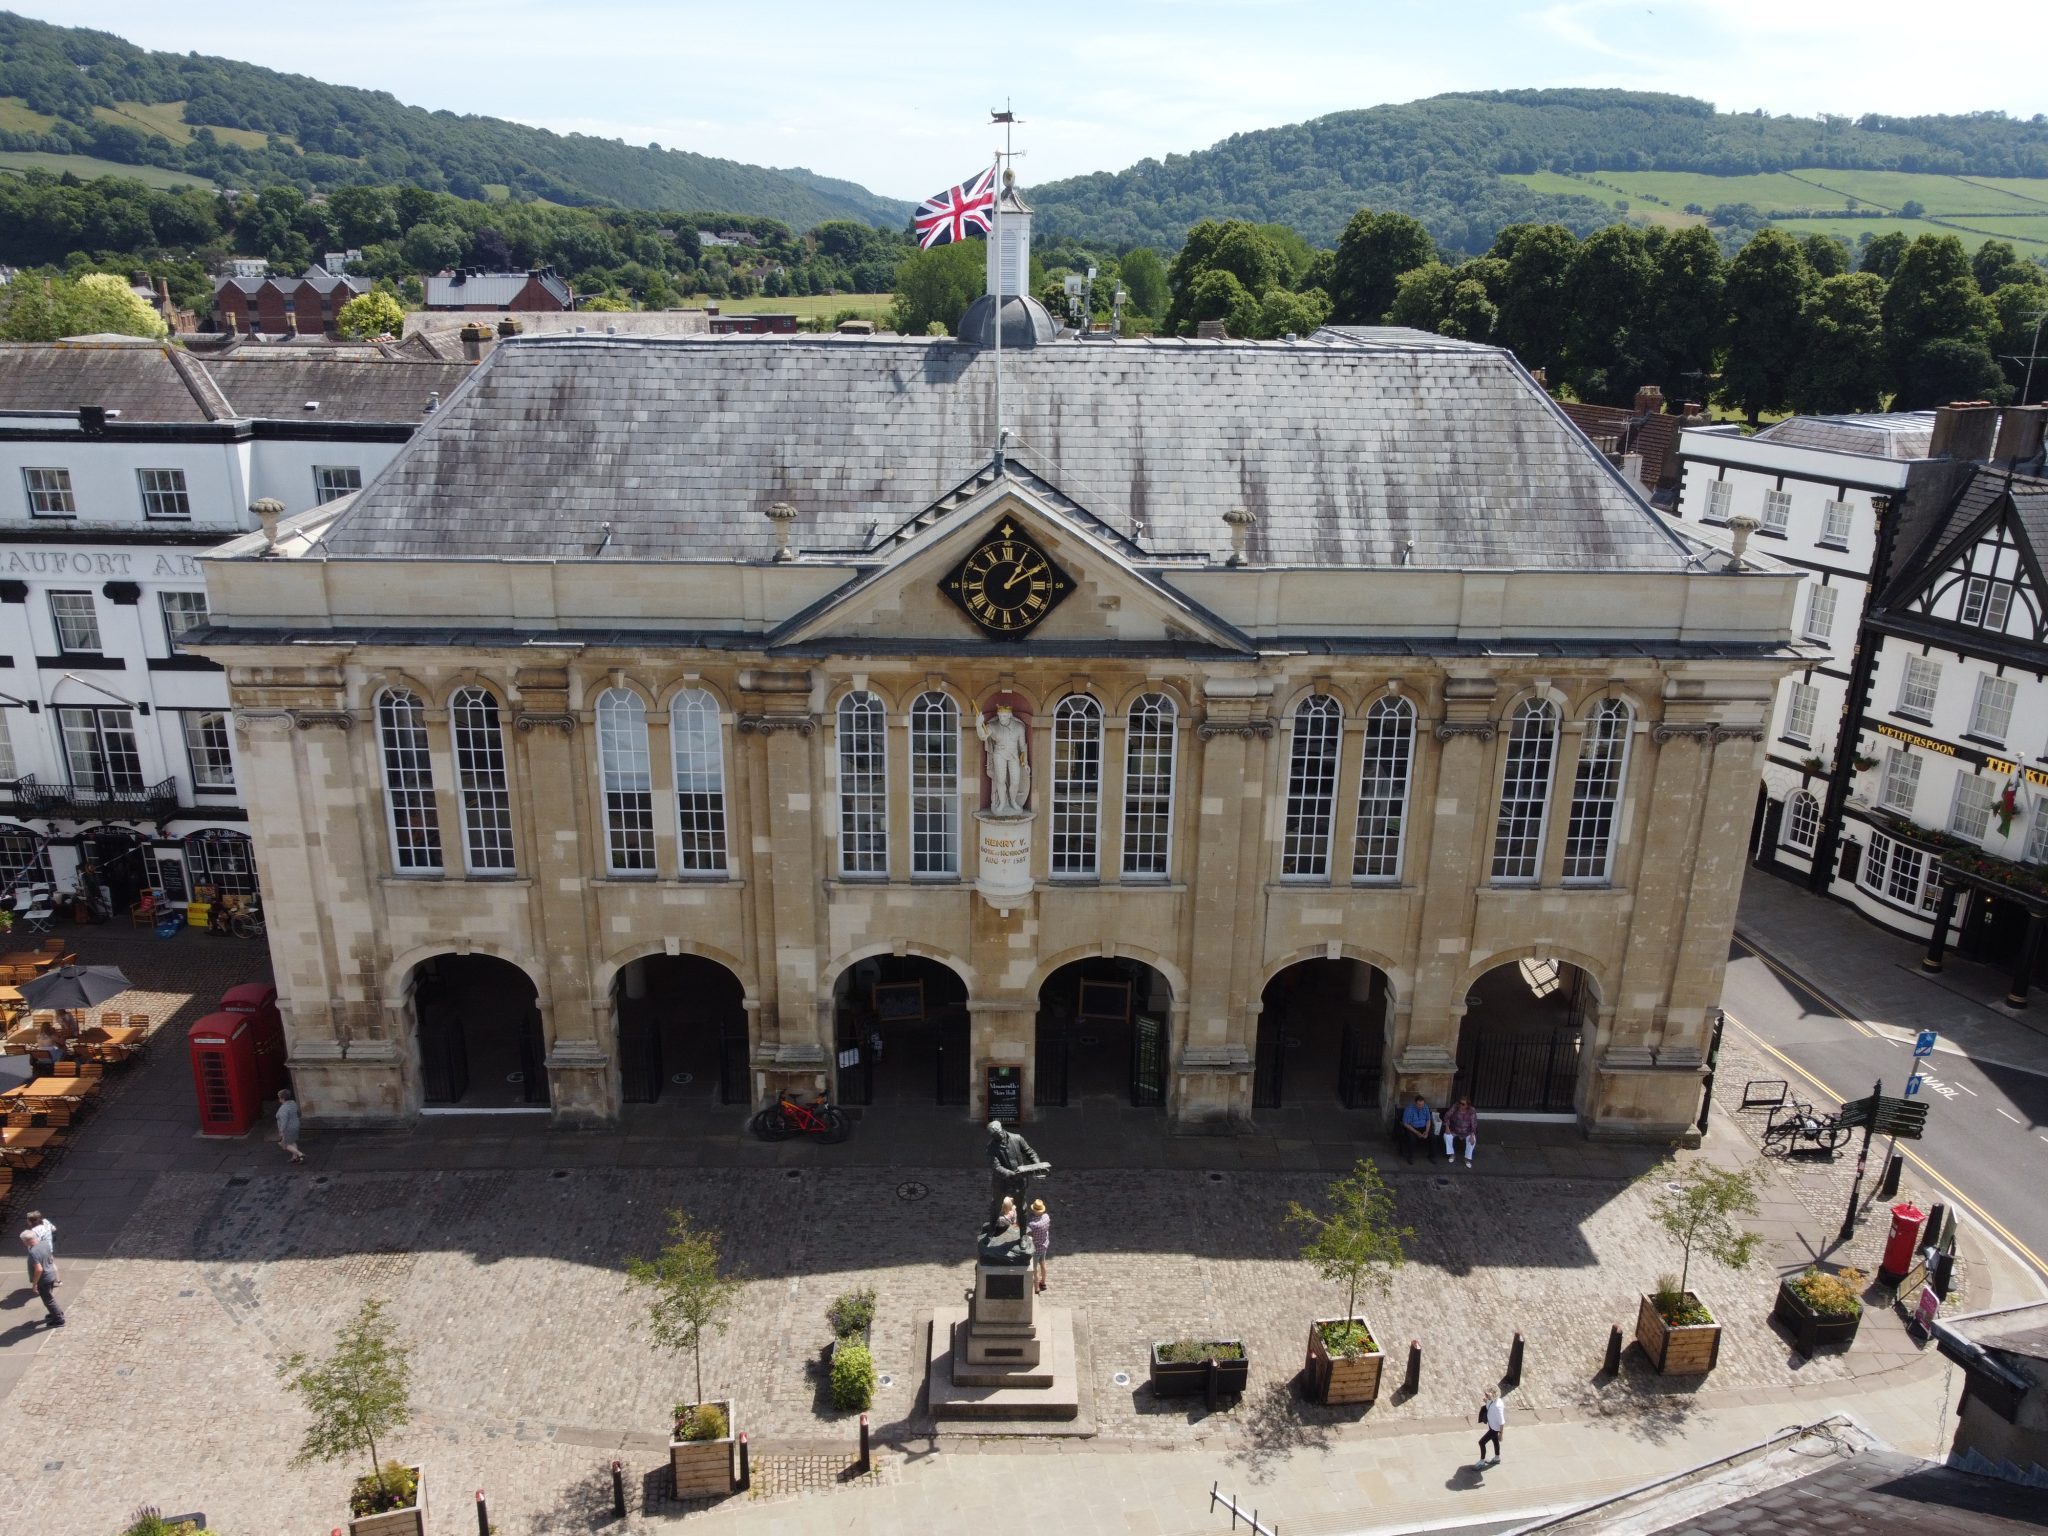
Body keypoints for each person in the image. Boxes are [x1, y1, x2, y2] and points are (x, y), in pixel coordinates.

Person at [985, 1119, 1045, 1233]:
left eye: (999, 1132)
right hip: (1001, 1182)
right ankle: (991, 1231)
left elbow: (1030, 1152)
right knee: (995, 1207)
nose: (998, 1136)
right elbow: (996, 1167)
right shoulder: (991, 1147)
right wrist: (1011, 1174)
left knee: (1022, 1208)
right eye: (995, 1135)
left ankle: (1023, 1234)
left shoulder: (1017, 1138)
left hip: (1019, 1182)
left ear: (1002, 1129)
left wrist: (1037, 1165)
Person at [22, 1220, 63, 1327]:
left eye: (23, 1241)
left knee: (48, 1300)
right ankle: (56, 1313)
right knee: (50, 1297)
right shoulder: (45, 1244)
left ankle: (59, 1320)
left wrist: (34, 1283)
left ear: (27, 1241)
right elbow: (51, 1258)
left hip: (43, 1279)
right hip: (51, 1274)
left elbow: (39, 1269)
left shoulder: (33, 1252)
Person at [20, 1209, 52, 1290]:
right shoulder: (46, 1222)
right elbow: (54, 1229)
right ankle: (57, 1280)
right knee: (50, 1262)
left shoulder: (34, 1231)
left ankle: (40, 1283)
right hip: (48, 1246)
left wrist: (34, 1284)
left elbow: (35, 1241)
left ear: (31, 1222)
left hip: (39, 1250)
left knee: (39, 1267)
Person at [1443, 1097, 1479, 1167]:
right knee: (1446, 1136)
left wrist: (1472, 1135)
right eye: (1460, 1103)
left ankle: (1467, 1158)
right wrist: (1447, 1127)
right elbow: (1446, 1116)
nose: (1460, 1105)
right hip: (1454, 1130)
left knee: (1472, 1141)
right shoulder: (1455, 1107)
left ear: (1467, 1105)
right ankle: (1452, 1154)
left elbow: (1474, 1123)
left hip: (1467, 1131)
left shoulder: (1472, 1110)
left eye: (1463, 1104)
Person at [1027, 1198, 1052, 1293]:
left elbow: (1029, 1235)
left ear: (1034, 1210)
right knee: (1043, 1264)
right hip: (1044, 1245)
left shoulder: (1033, 1224)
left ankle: (1037, 1287)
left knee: (1034, 1269)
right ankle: (1043, 1282)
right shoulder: (1046, 1217)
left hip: (1036, 1248)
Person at [1399, 1096, 1433, 1163]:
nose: (1421, 1106)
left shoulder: (1425, 1107)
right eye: (1419, 1104)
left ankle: (1431, 1156)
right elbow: (1405, 1123)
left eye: (1422, 1104)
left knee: (1433, 1136)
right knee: (1412, 1139)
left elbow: (1428, 1120)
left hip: (1423, 1127)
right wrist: (1417, 1132)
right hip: (1412, 1128)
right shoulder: (1409, 1109)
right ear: (1415, 1103)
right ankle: (1410, 1157)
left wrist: (1426, 1131)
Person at [275, 1087, 304, 1164]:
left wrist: (281, 1131)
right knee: (292, 1142)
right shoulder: (293, 1103)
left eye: (279, 1097)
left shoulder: (283, 1109)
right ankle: (295, 1157)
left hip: (288, 1128)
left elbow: (284, 1121)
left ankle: (300, 1154)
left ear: (282, 1098)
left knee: (284, 1144)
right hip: (295, 1124)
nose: (278, 1098)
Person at [1476, 1388, 1505, 1467]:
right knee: (1495, 1440)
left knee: (1481, 1442)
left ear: (1493, 1395)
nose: (1485, 1395)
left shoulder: (1498, 1406)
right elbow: (1490, 1406)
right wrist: (1486, 1401)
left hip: (1494, 1429)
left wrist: (1501, 1434)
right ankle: (1497, 1458)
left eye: (1487, 1394)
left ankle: (1482, 1461)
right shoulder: (1492, 1400)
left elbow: (1502, 1422)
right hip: (1491, 1425)